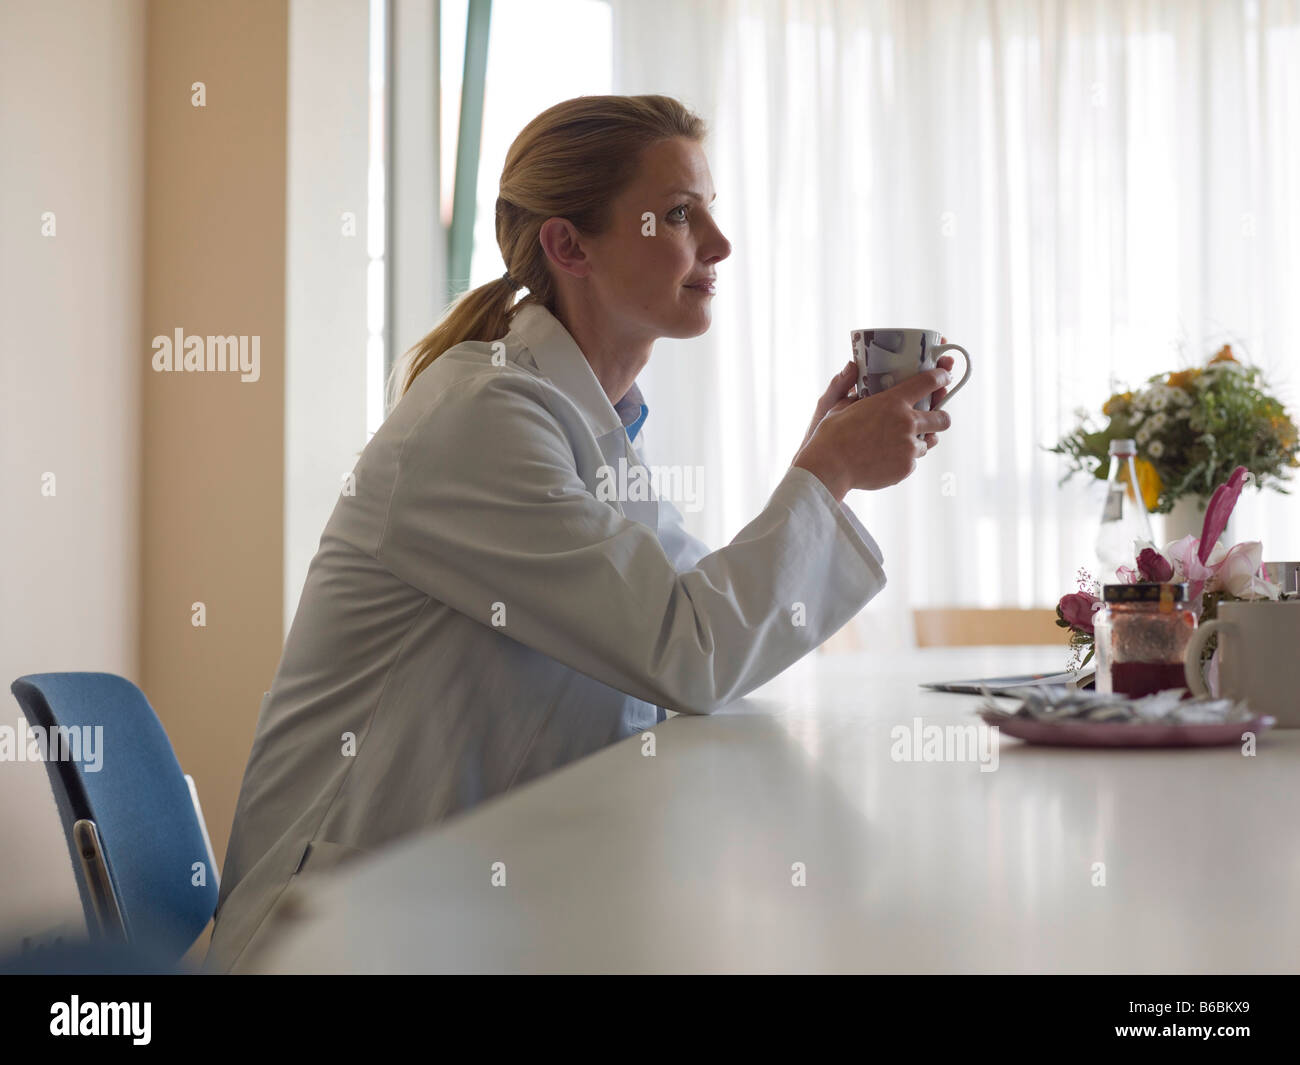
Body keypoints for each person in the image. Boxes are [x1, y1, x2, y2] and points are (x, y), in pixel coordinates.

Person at [205, 94, 952, 973]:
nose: (718, 244)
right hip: (338, 930)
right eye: (679, 214)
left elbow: (683, 629)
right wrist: (828, 475)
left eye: (708, 211)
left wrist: (820, 463)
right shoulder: (481, 418)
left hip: (467, 896)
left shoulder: (585, 421)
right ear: (570, 246)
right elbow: (690, 651)